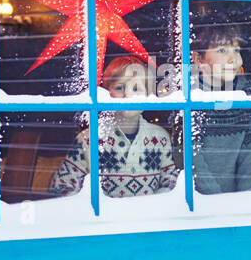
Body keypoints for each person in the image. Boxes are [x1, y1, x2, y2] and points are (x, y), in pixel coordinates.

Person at [50, 56, 179, 198]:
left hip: (148, 217)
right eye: (119, 87)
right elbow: (62, 186)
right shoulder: (89, 139)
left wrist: (149, 208)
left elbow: (171, 183)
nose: (127, 95)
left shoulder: (160, 138)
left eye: (136, 89)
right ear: (107, 94)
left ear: (147, 98)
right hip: (104, 218)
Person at [190, 23, 251, 194]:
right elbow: (192, 157)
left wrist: (243, 200)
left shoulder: (248, 95)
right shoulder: (191, 97)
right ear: (199, 60)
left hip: (237, 203)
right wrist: (217, 200)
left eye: (236, 50)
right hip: (198, 201)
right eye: (222, 51)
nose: (233, 59)